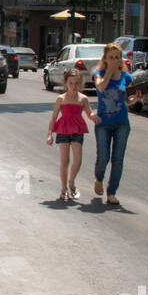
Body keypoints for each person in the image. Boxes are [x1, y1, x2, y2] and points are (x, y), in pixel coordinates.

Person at [91, 43, 141, 207]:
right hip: (103, 123)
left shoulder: (126, 77)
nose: (114, 60)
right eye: (111, 57)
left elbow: (128, 100)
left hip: (121, 123)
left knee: (117, 159)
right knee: (103, 158)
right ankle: (98, 178)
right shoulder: (98, 74)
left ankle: (112, 192)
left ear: (121, 59)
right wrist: (110, 71)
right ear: (105, 58)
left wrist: (135, 99)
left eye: (117, 57)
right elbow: (101, 87)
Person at [46, 68, 99, 201]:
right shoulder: (61, 99)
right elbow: (54, 117)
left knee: (78, 160)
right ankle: (63, 189)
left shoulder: (83, 99)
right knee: (65, 161)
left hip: (77, 130)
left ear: (80, 84)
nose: (74, 86)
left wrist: (94, 117)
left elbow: (89, 113)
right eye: (71, 83)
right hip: (63, 130)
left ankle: (71, 182)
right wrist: (49, 134)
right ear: (66, 83)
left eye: (77, 83)